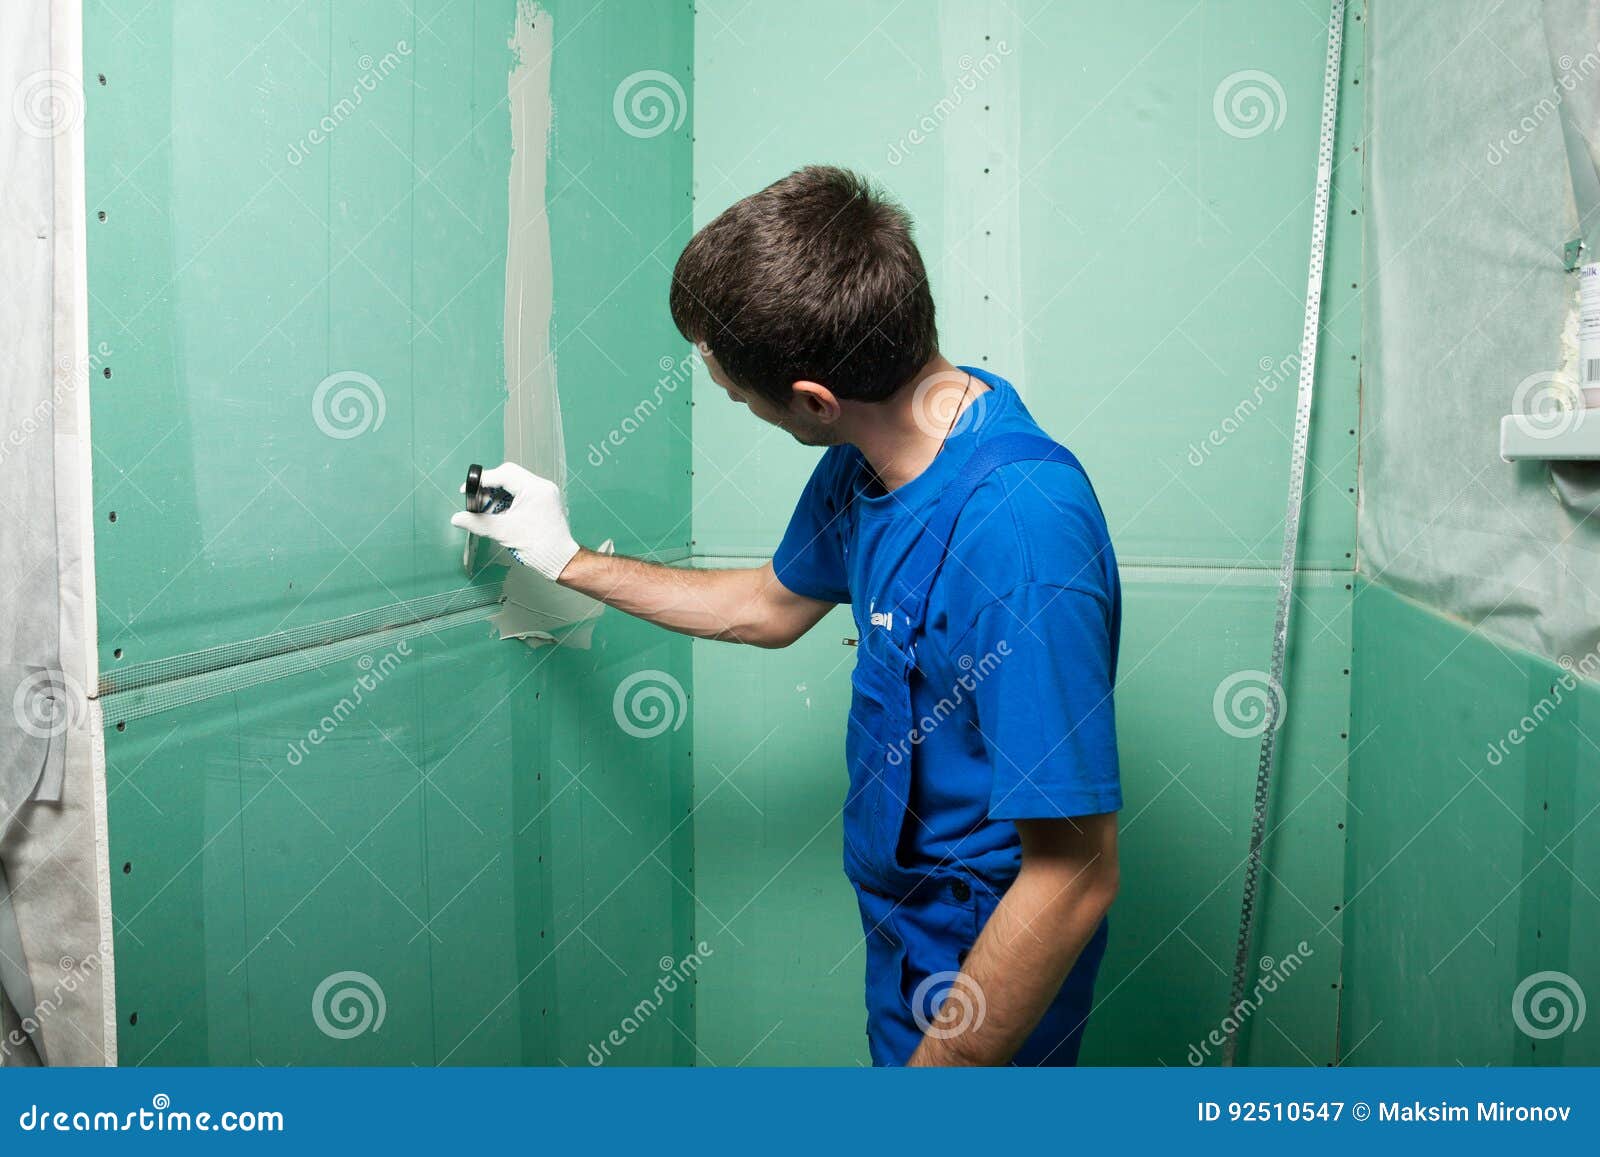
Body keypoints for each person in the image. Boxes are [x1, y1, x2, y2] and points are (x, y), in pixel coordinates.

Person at [453, 165, 1122, 1066]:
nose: (734, 401)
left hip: (992, 949)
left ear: (814, 401)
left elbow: (1073, 876)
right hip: (906, 920)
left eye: (739, 395)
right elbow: (766, 607)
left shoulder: (1022, 532)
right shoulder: (873, 453)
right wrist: (564, 557)